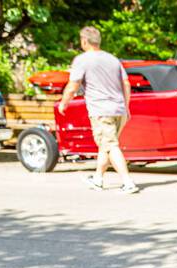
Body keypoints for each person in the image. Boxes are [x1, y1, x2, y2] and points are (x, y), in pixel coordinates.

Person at [58, 26, 138, 193]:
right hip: (119, 110)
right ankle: (98, 179)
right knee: (105, 145)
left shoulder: (82, 60)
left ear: (84, 41)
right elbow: (126, 83)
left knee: (110, 145)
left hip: (102, 111)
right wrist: (126, 106)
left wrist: (64, 102)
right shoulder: (113, 60)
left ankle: (127, 182)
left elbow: (73, 85)